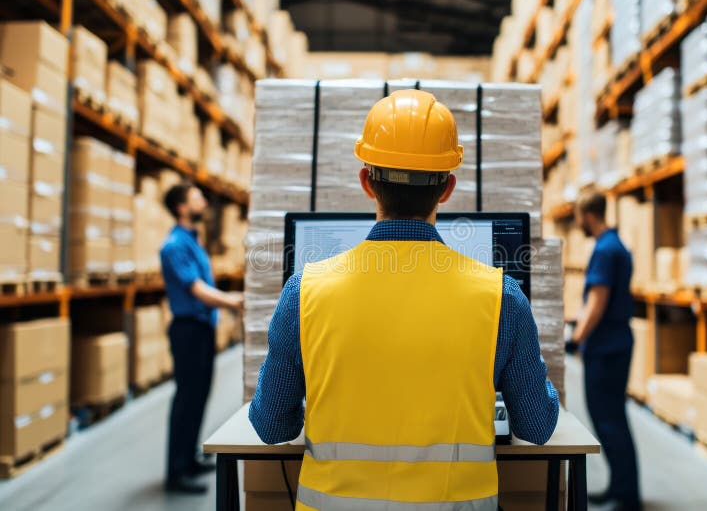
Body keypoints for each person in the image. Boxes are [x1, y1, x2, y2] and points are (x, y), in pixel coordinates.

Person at [249, 89, 560, 509]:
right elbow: (538, 427)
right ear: (448, 188)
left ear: (366, 183)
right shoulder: (501, 298)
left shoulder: (304, 292)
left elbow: (270, 427)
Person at [160, 183, 243, 494]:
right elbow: (197, 289)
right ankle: (176, 471)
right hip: (188, 330)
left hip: (202, 329)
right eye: (197, 198)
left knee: (198, 397)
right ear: (182, 207)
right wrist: (233, 301)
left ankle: (189, 458)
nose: (204, 201)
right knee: (186, 400)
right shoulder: (174, 246)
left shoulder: (193, 241)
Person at [566, 189, 641, 511]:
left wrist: (576, 339)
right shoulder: (615, 245)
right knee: (612, 419)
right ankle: (619, 487)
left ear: (587, 215)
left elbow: (597, 303)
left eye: (578, 216)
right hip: (614, 344)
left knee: (609, 420)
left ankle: (627, 496)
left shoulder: (606, 250)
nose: (577, 222)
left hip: (607, 348)